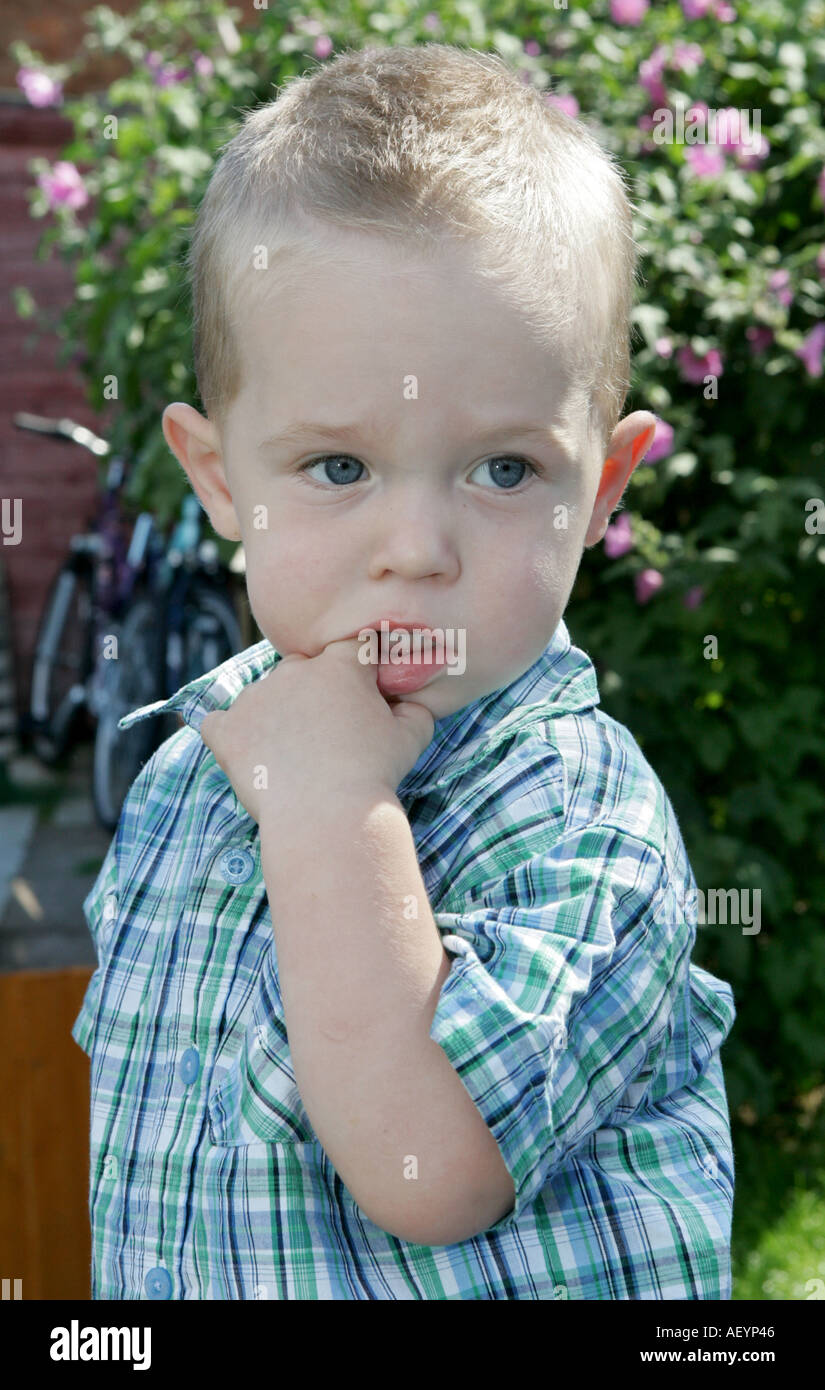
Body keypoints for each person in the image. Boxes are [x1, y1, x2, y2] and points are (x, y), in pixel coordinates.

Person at [73, 43, 736, 1300]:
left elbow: (434, 1168)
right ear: (222, 480)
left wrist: (333, 811)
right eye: (337, 468)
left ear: (601, 490)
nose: (417, 552)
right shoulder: (184, 777)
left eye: (503, 471)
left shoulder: (577, 818)